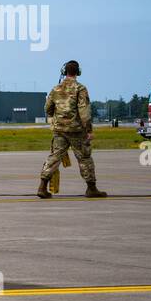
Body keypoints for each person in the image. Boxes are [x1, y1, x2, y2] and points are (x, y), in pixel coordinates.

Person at [38, 60, 106, 198]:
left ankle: (42, 187)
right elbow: (84, 111)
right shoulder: (80, 89)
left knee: (54, 157)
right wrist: (89, 130)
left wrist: (55, 118)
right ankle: (91, 188)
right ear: (78, 72)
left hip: (59, 130)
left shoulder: (55, 89)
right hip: (76, 131)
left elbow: (47, 108)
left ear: (64, 72)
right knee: (84, 158)